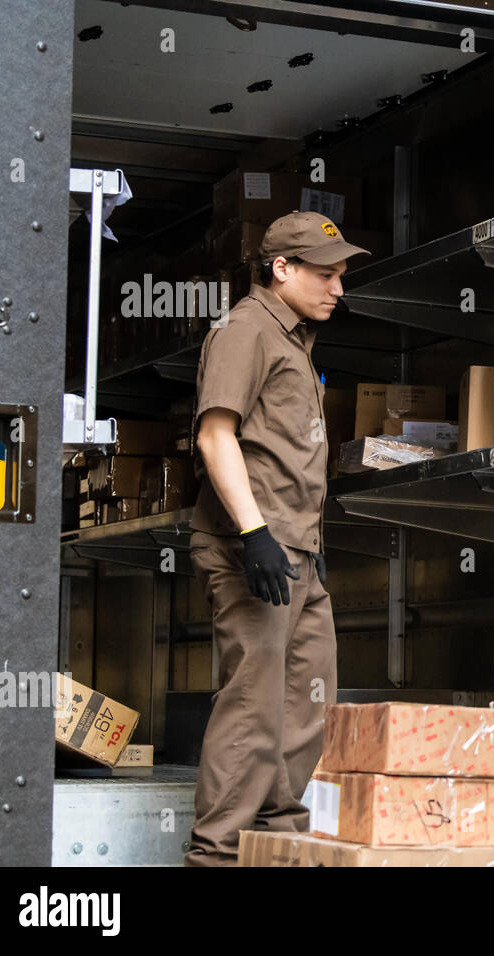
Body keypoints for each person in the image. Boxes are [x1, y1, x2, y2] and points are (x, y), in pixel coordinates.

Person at [183, 211, 369, 866]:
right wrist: (255, 533)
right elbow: (215, 435)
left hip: (299, 550)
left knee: (306, 704)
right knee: (255, 706)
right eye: (325, 274)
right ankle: (216, 856)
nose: (337, 288)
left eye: (342, 274)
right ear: (281, 269)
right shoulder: (245, 330)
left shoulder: (292, 340)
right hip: (253, 547)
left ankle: (276, 846)